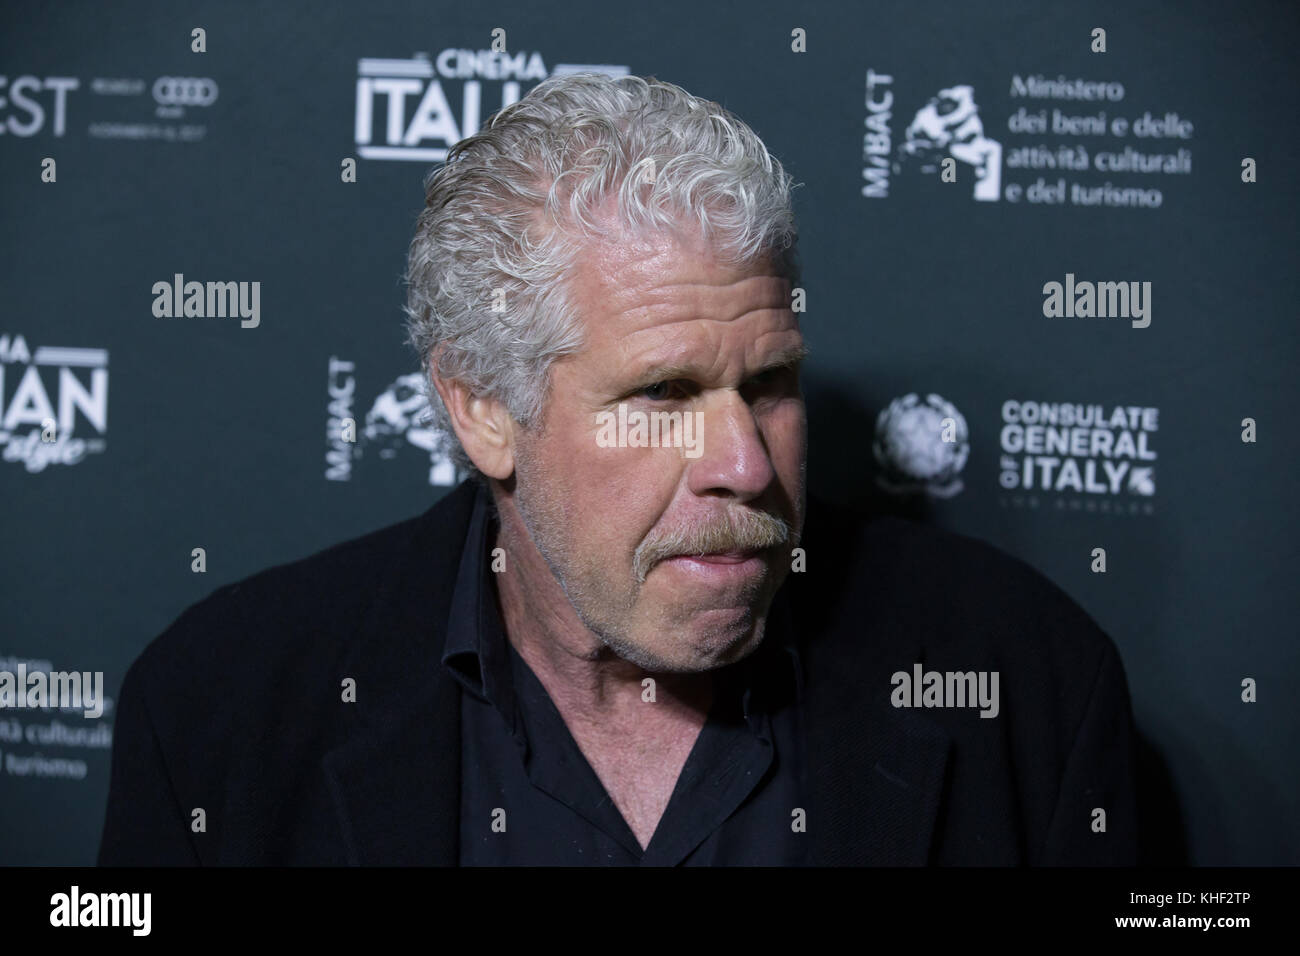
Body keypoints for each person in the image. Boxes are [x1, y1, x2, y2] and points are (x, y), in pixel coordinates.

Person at [98, 73, 1136, 866]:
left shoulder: (1028, 677)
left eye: (768, 383)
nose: (745, 464)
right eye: (661, 395)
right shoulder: (218, 709)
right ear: (484, 411)